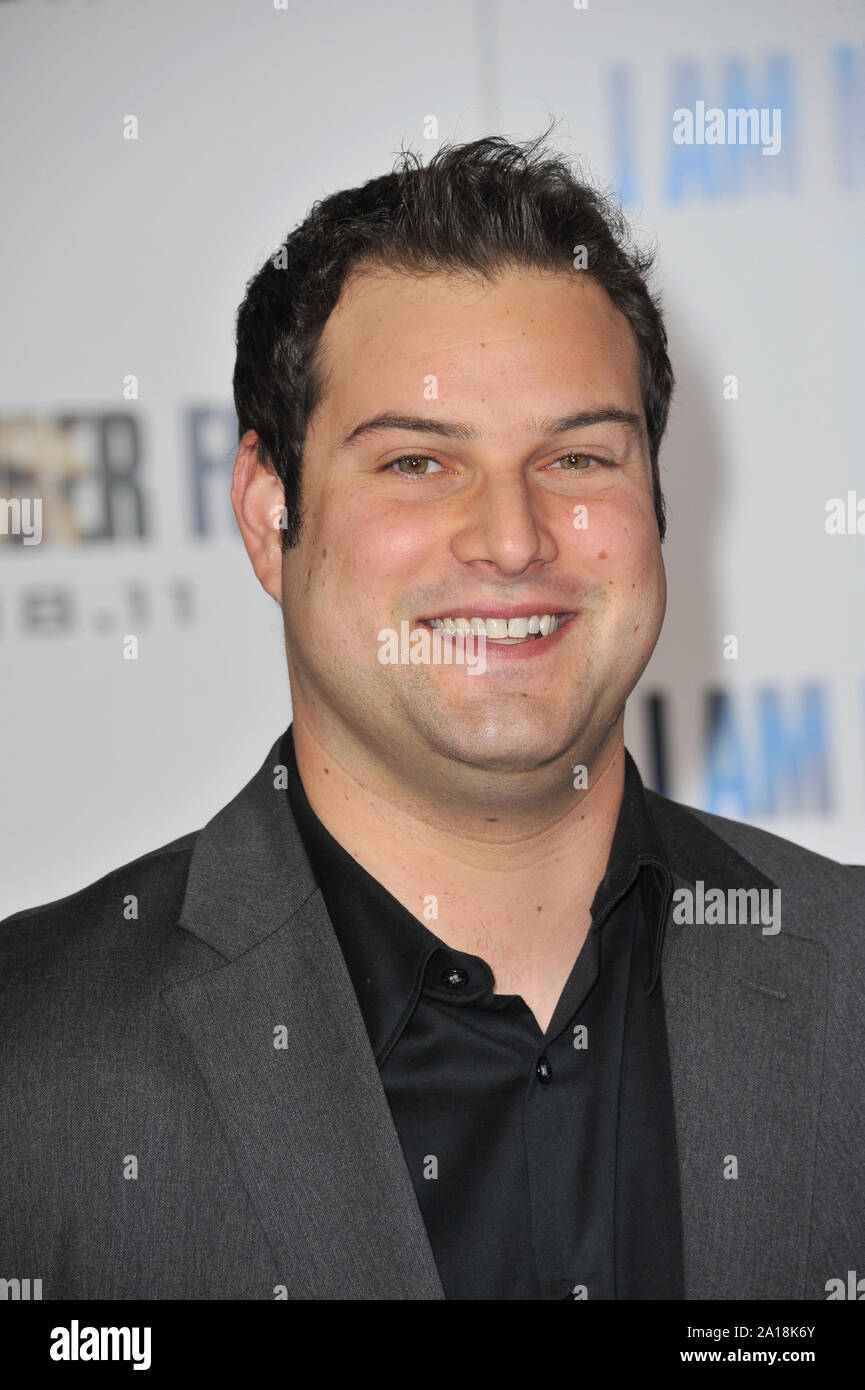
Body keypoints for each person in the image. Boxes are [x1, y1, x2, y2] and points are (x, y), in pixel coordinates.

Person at [1, 134, 862, 1301]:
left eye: (575, 456)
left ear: (656, 500)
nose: (512, 538)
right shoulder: (28, 1061)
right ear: (268, 513)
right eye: (417, 462)